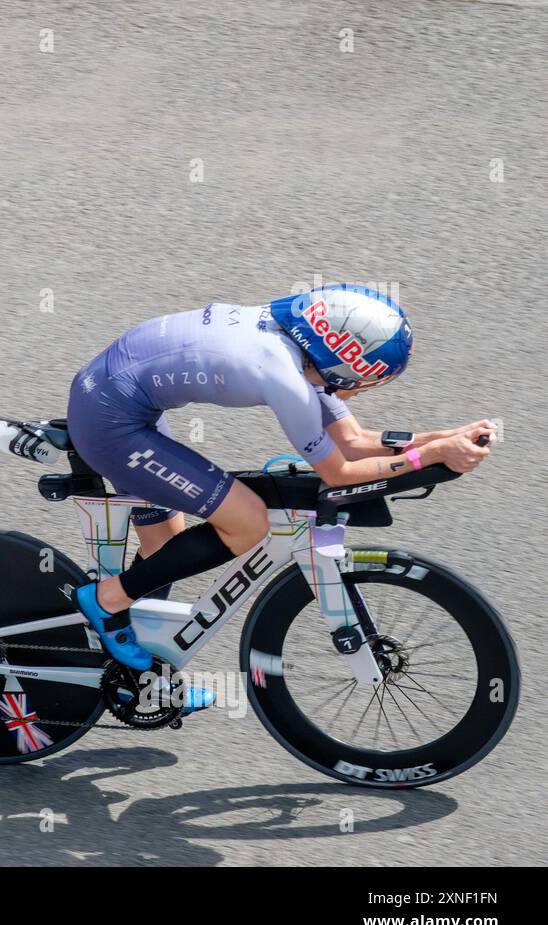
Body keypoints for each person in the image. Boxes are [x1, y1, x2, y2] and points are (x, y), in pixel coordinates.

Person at [65, 284, 496, 712]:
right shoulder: (284, 378)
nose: (363, 390)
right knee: (248, 522)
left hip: (115, 399)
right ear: (343, 365)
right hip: (112, 424)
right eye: (367, 381)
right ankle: (105, 602)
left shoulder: (297, 338)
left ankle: (134, 678)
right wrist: (429, 457)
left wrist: (443, 439)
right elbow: (340, 473)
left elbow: (353, 441)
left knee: (163, 548)